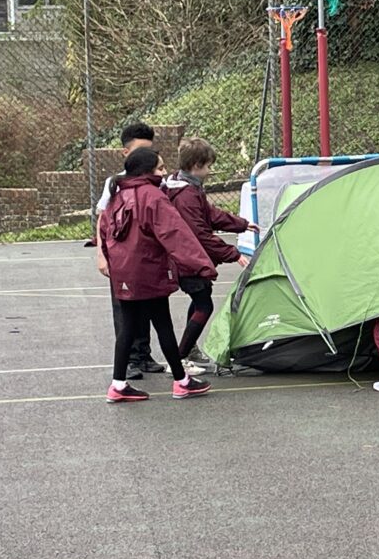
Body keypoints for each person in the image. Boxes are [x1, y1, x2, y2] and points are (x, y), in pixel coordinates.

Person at [99, 147, 217, 403]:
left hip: (124, 271)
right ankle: (181, 381)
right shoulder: (153, 196)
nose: (164, 173)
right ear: (147, 171)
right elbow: (176, 234)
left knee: (128, 327)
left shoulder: (117, 195)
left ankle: (118, 384)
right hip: (148, 269)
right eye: (160, 168)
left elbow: (105, 232)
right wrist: (202, 265)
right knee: (163, 324)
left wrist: (109, 261)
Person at [164, 137, 259, 375]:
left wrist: (241, 224)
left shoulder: (188, 187)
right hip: (187, 258)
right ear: (196, 165)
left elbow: (210, 214)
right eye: (208, 166)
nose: (209, 171)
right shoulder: (185, 195)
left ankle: (188, 350)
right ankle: (179, 359)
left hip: (190, 258)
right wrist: (232, 253)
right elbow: (199, 233)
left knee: (200, 299)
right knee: (204, 305)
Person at [94, 122, 163, 381]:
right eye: (140, 151)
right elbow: (103, 220)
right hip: (122, 258)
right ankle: (129, 360)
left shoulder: (156, 182)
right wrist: (101, 254)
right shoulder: (115, 183)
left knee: (147, 305)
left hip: (146, 257)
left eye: (150, 151)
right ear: (126, 153)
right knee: (124, 310)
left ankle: (143, 354)